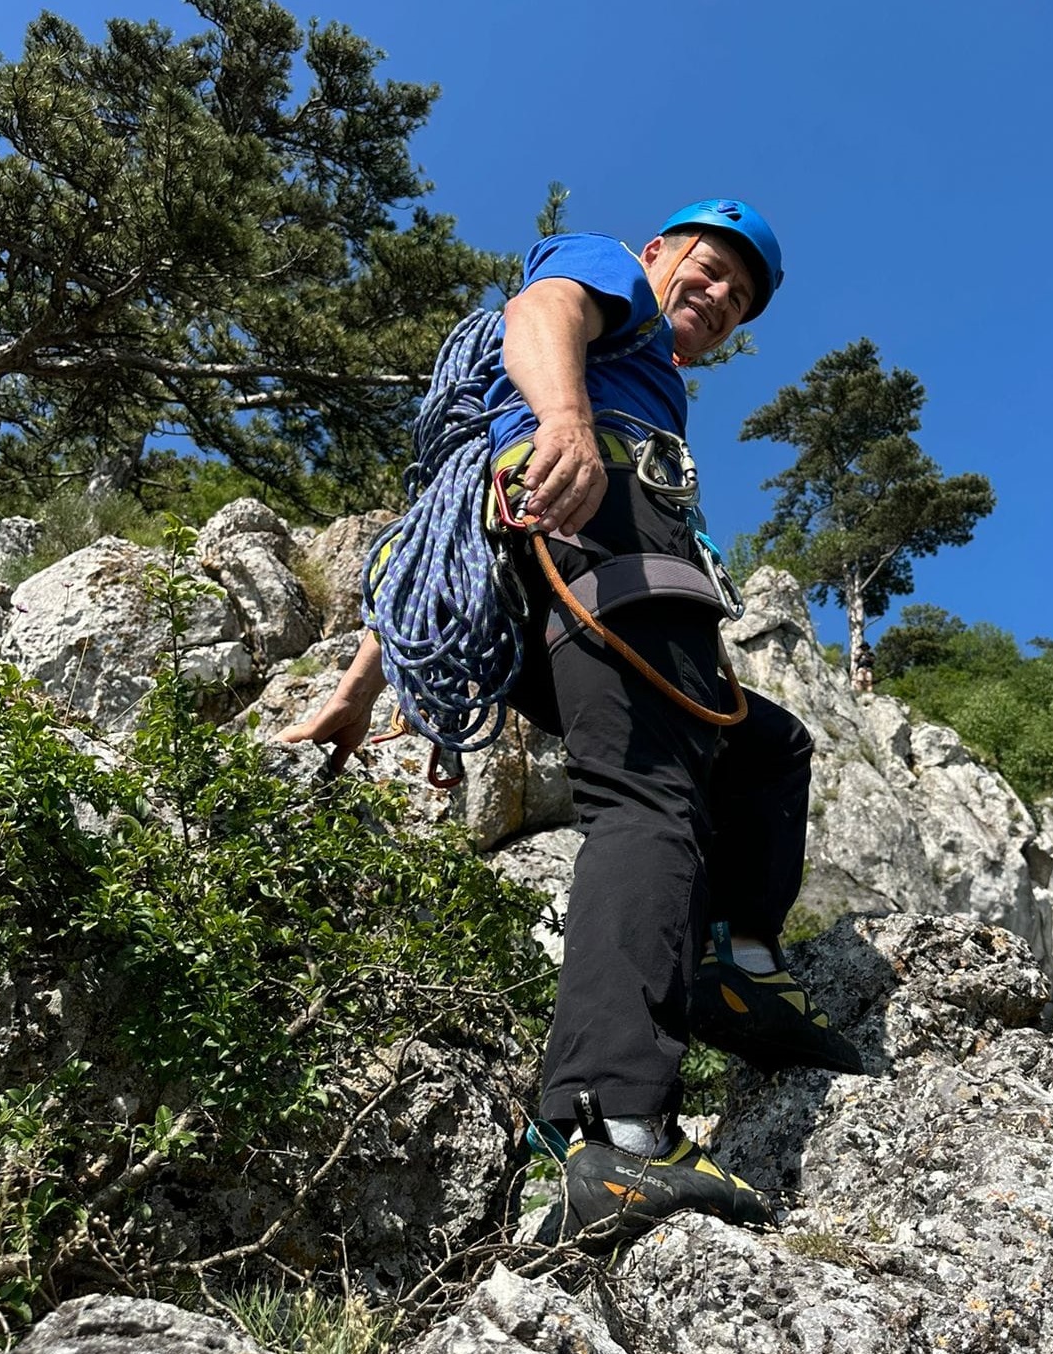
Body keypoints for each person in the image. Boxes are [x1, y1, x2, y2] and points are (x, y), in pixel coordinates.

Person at [279, 200, 861, 1246]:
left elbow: (444, 521)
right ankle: (617, 1132)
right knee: (648, 801)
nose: (722, 295)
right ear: (655, 255)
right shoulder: (603, 292)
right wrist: (567, 424)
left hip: (574, 571)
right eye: (712, 265)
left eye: (741, 295)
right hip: (611, 538)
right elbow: (541, 307)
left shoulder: (640, 381)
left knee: (766, 748)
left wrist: (360, 689)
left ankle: (735, 967)